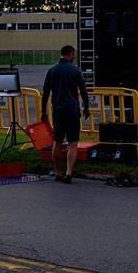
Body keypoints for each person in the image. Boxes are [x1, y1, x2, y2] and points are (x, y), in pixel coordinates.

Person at [40, 45, 89, 183]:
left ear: (61, 54)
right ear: (71, 54)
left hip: (58, 110)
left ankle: (57, 172)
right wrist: (86, 107)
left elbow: (45, 93)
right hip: (72, 110)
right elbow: (84, 91)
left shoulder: (52, 70)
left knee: (57, 141)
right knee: (73, 142)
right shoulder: (75, 70)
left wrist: (43, 111)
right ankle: (68, 173)